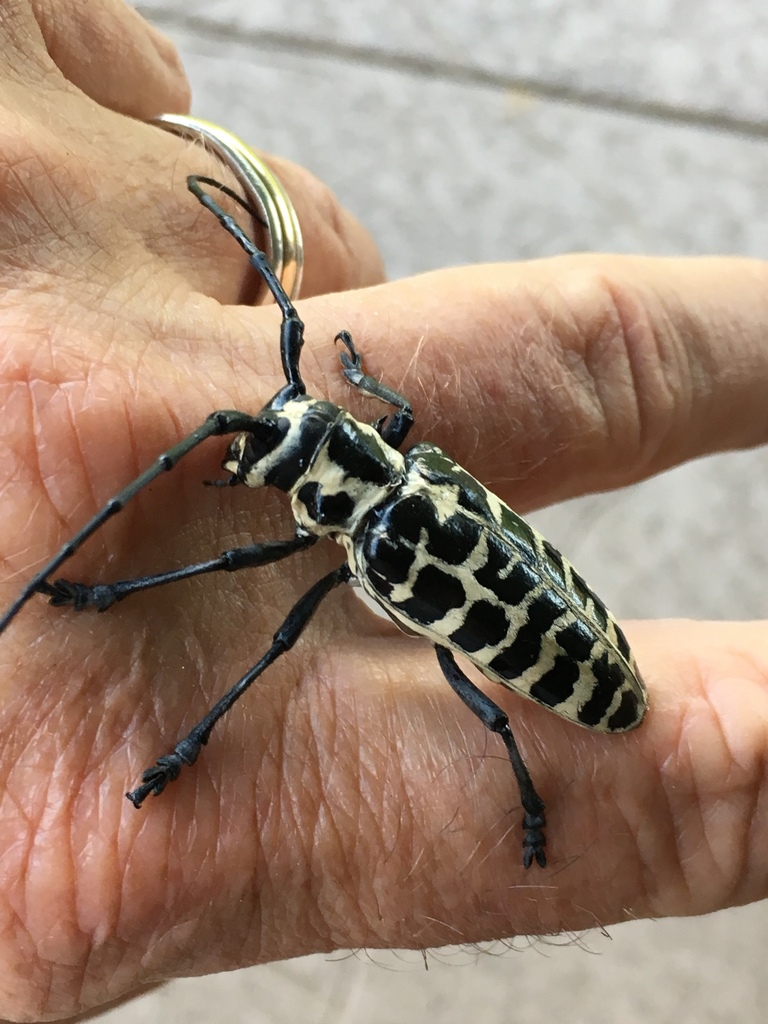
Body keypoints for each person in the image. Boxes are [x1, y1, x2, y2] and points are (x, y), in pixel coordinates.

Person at [1, 2, 767, 1020]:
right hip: (555, 616)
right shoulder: (416, 461)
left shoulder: (371, 536)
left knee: (320, 647)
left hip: (578, 668)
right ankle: (134, 617)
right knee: (396, 648)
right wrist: (350, 369)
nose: (279, 436)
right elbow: (393, 417)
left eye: (285, 441)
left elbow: (281, 596)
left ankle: (516, 788)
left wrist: (121, 585)